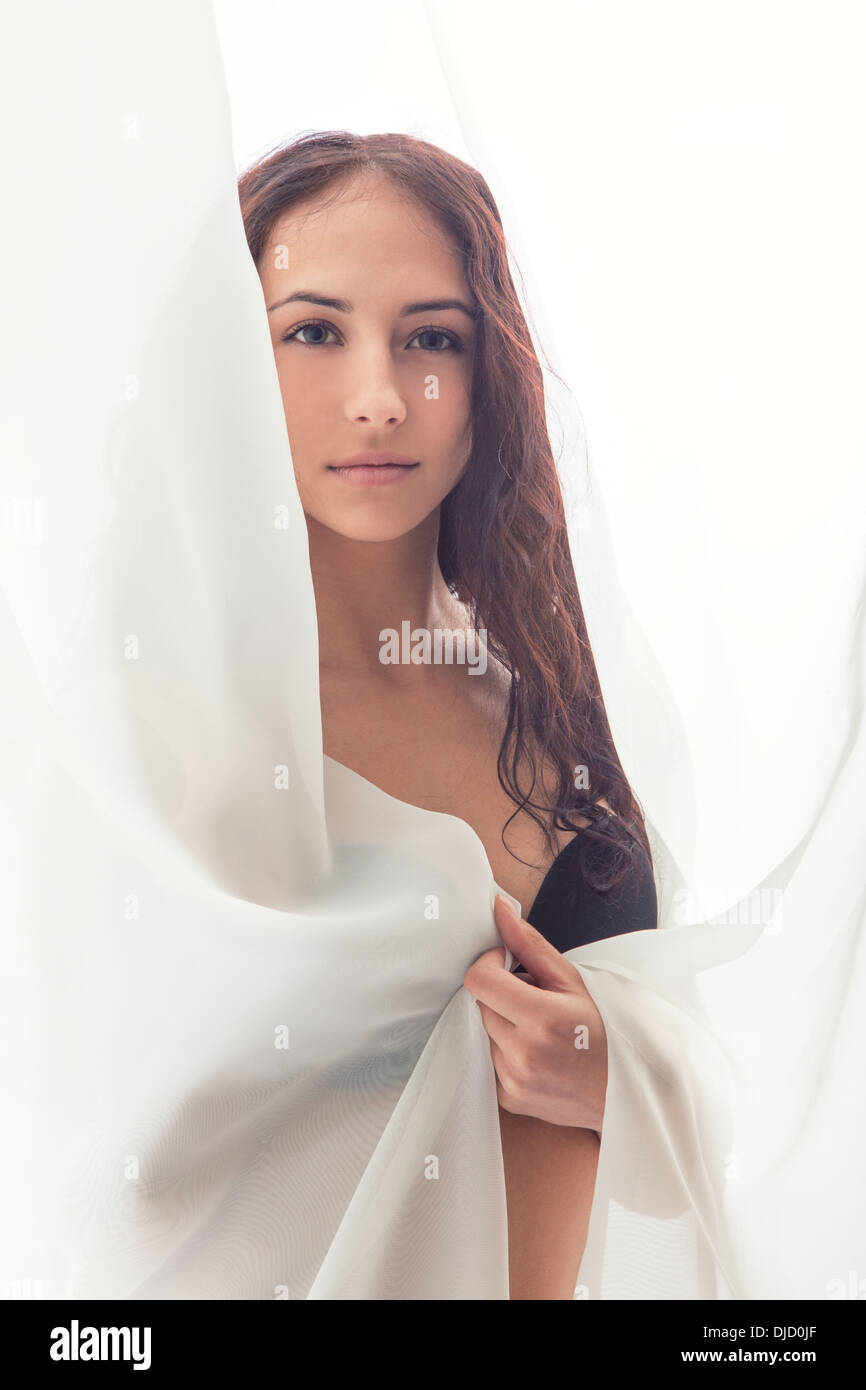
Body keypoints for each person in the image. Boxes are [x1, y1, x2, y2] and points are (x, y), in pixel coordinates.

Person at [238, 130, 657, 1299]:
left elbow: (772, 1103)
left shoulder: (576, 724)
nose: (378, 398)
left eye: (431, 338)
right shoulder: (159, 745)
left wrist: (629, 1077)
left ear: (486, 376)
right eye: (312, 332)